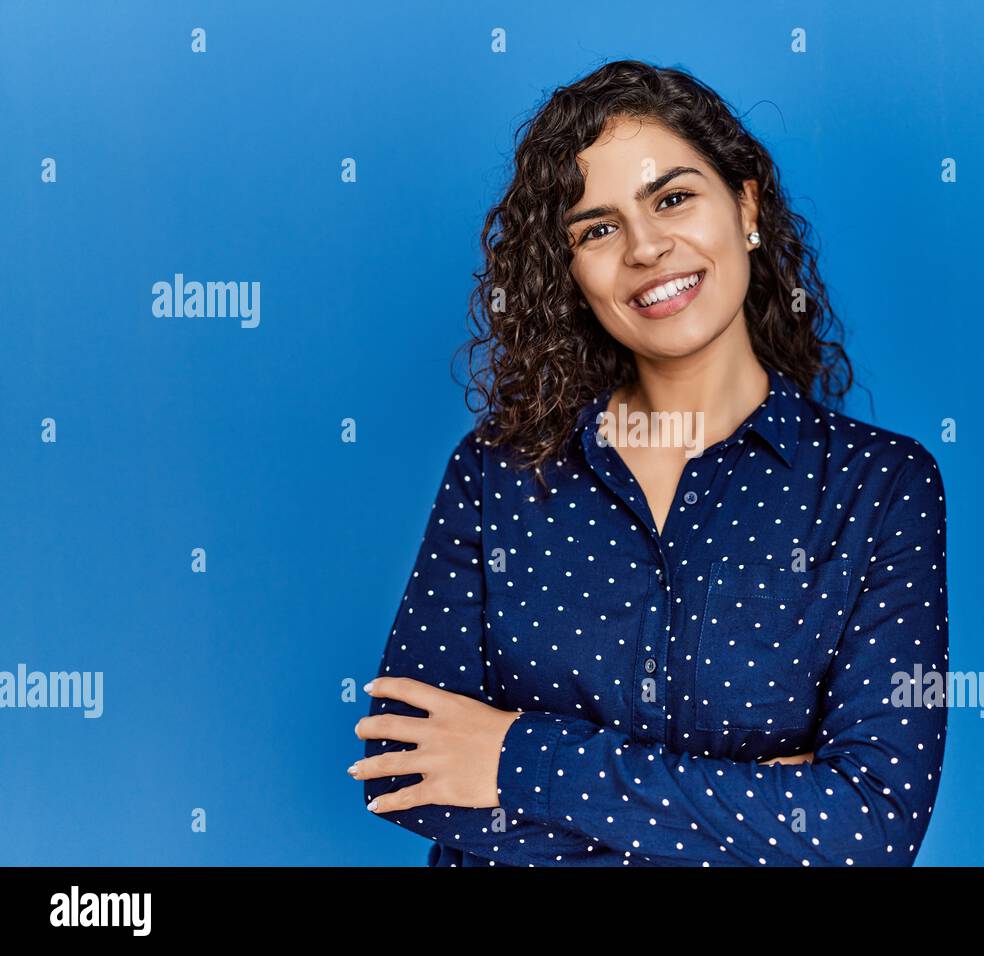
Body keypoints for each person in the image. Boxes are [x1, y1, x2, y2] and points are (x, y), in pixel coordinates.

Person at [351, 59, 950, 866]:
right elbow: (403, 768)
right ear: (570, 272)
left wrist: (511, 758)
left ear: (746, 207)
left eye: (672, 197)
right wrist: (757, 811)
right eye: (597, 228)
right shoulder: (496, 474)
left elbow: (867, 831)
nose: (645, 248)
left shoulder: (881, 490)